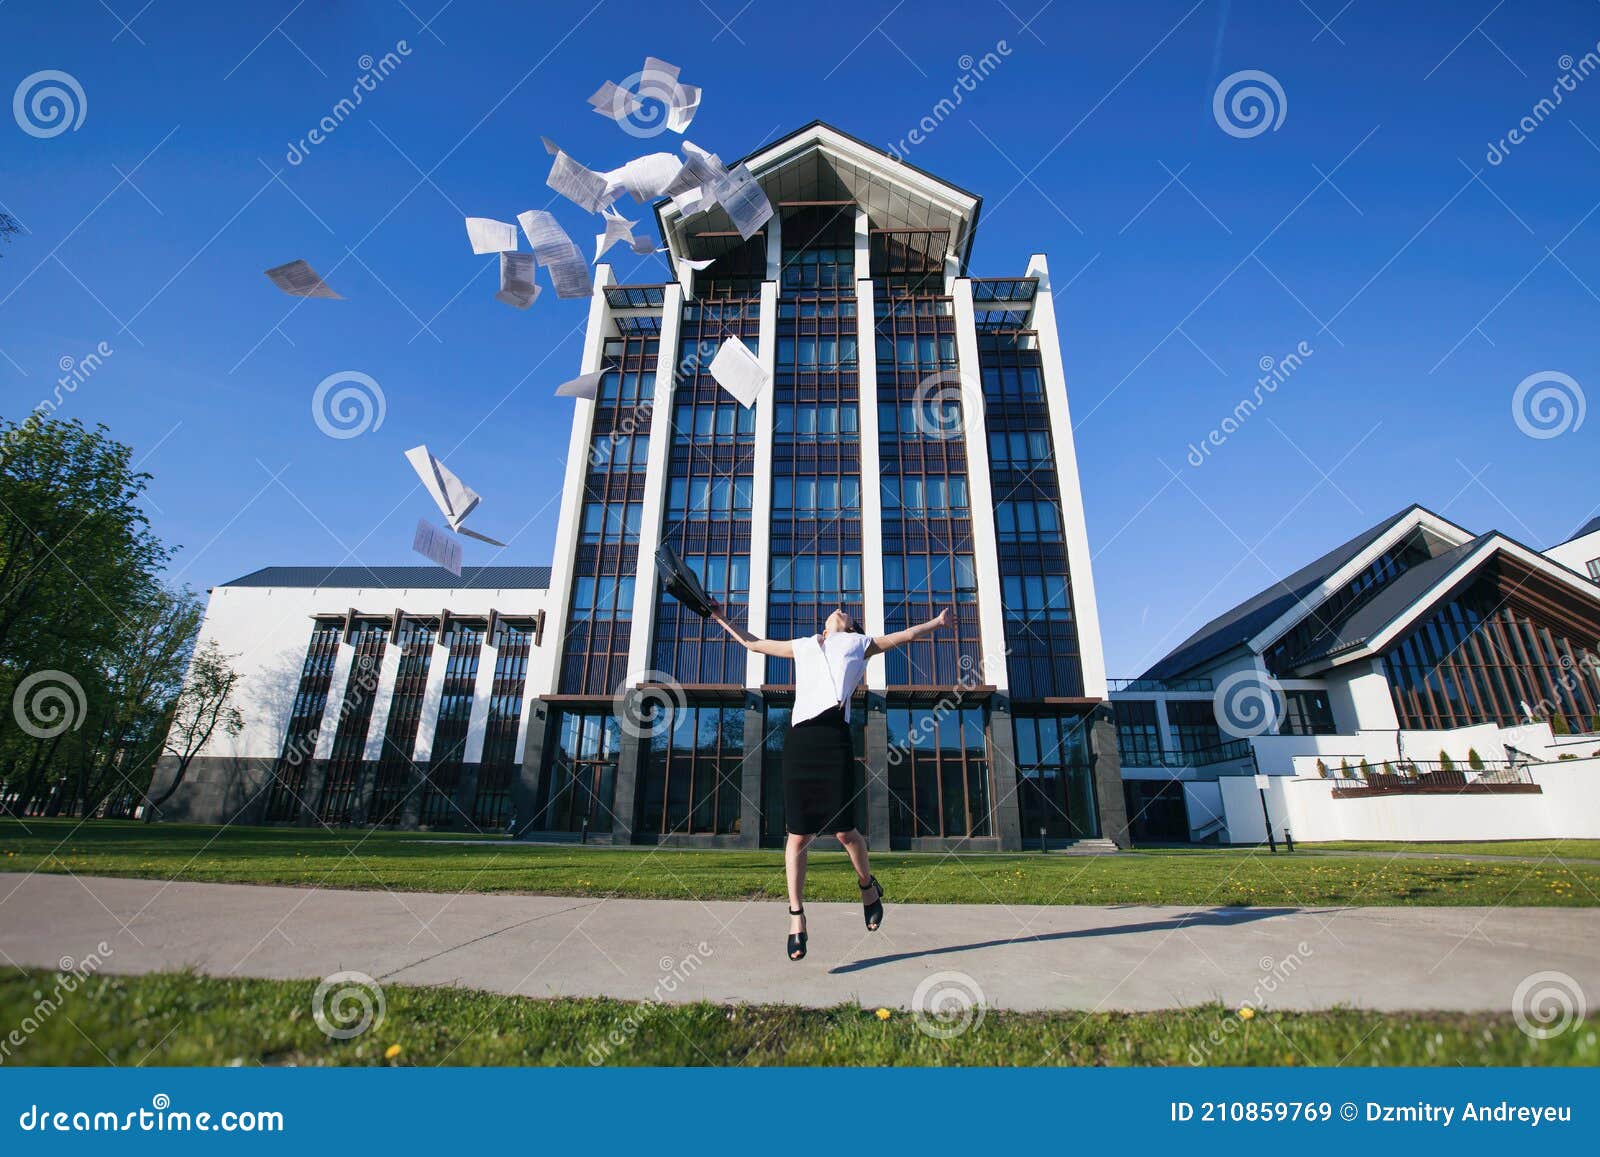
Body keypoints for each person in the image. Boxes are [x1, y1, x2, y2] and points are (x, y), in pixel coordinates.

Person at [708, 601, 953, 961]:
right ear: (823, 626)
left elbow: (905, 636)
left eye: (848, 611)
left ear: (851, 627)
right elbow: (753, 644)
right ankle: (796, 918)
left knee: (844, 831)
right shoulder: (803, 644)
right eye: (837, 609)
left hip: (834, 738)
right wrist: (719, 616)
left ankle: (868, 886)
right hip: (799, 742)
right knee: (798, 834)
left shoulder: (859, 644)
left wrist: (936, 622)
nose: (840, 608)